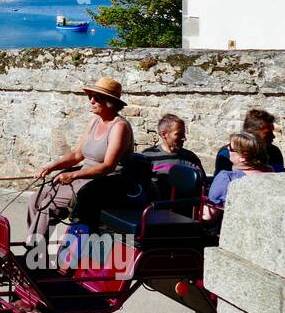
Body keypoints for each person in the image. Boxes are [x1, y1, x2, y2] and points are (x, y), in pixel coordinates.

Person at [28, 77, 137, 239]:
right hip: (84, 176)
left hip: (104, 182)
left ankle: (35, 256)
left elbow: (108, 166)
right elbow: (77, 155)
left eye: (96, 97)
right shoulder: (94, 120)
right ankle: (35, 247)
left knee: (47, 206)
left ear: (110, 102)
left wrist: (72, 175)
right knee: (34, 199)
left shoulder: (119, 126)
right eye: (90, 96)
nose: (91, 100)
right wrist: (51, 168)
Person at [206, 131, 283, 213]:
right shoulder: (279, 173)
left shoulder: (226, 178)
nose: (227, 149)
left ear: (243, 157)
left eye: (231, 148)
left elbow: (210, 216)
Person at [215, 108, 285, 173]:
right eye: (267, 133)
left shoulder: (274, 152)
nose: (273, 136)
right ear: (252, 133)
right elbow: (221, 182)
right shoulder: (227, 154)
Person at [140, 114, 206, 176]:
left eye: (183, 134)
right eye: (178, 134)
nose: (184, 138)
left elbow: (202, 184)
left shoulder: (191, 158)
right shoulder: (148, 157)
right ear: (164, 134)